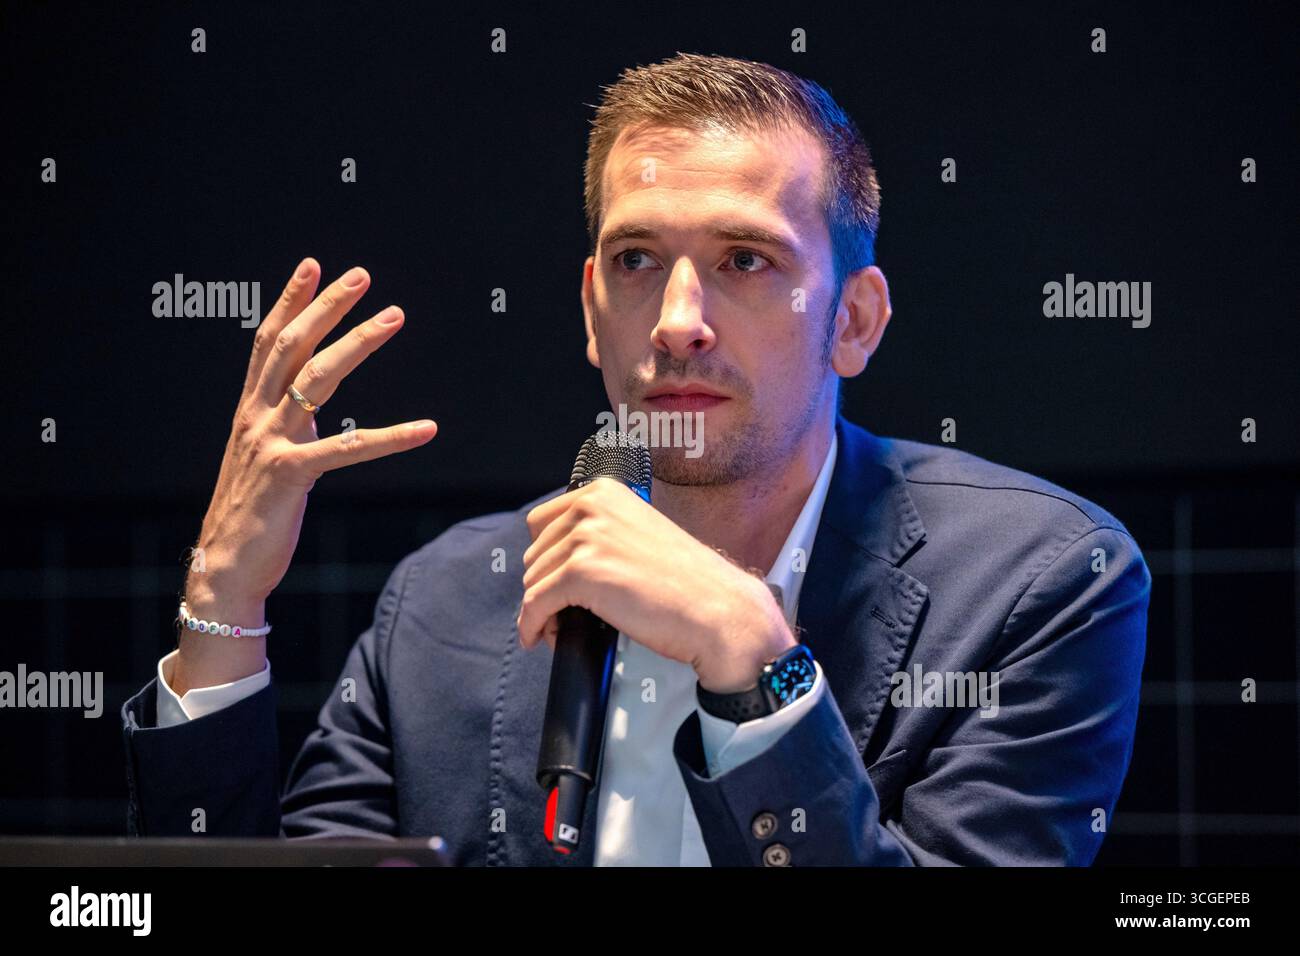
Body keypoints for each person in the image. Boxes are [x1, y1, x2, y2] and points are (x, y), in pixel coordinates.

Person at [121, 52, 1150, 866]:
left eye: (744, 261)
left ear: (853, 320)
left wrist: (755, 663)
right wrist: (223, 601)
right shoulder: (444, 599)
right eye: (636, 261)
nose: (677, 321)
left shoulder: (1043, 581)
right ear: (588, 309)